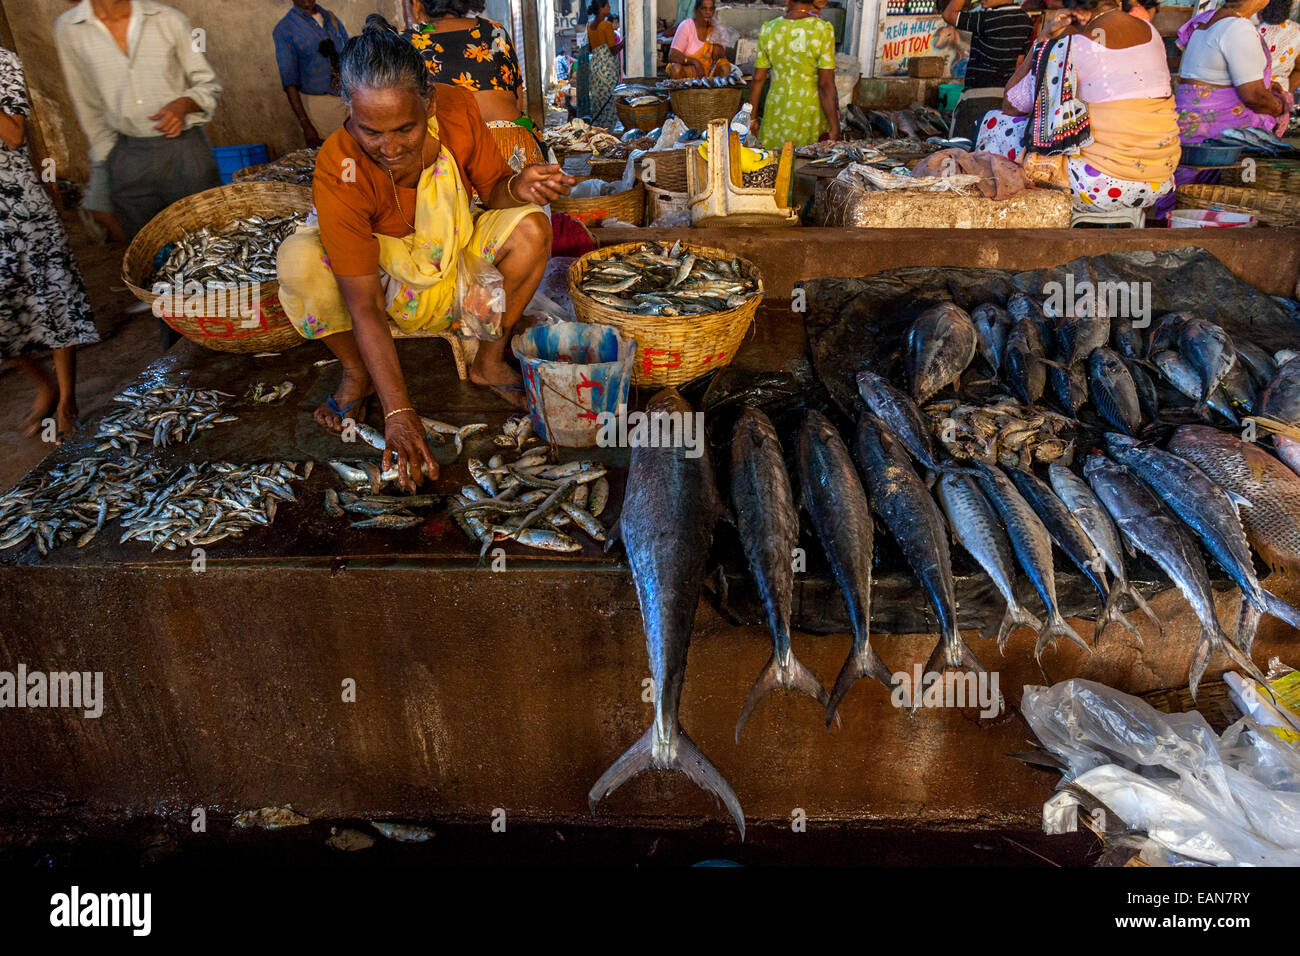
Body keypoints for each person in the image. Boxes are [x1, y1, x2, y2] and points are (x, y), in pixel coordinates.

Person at [275, 16, 572, 489]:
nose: (389, 148)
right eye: (370, 130)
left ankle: (487, 361)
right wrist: (399, 411)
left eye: (405, 129)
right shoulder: (339, 167)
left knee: (533, 226)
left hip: (452, 255)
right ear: (347, 108)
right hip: (383, 281)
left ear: (429, 101)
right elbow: (364, 303)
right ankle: (357, 372)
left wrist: (519, 184)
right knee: (298, 260)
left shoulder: (455, 107)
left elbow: (494, 187)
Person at [55, 0, 222, 348]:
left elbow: (207, 85)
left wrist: (183, 103)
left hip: (184, 149)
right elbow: (88, 108)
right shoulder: (70, 29)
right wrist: (110, 165)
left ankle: (227, 338)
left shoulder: (168, 20)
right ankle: (178, 351)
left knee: (210, 253)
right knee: (155, 268)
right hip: (126, 154)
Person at [976, 0, 1180, 212]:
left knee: (994, 121)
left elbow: (1012, 103)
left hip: (1101, 185)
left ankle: (1009, 217)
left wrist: (1043, 39)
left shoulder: (1071, 45)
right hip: (1161, 178)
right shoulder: (1150, 31)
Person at [1, 47, 99, 440]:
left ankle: (66, 401)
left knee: (55, 300)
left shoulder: (3, 62)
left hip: (22, 209)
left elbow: (13, 135)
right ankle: (45, 385)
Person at [402, 1, 543, 172]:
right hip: (514, 151)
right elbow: (517, 100)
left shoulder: (406, 41)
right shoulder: (494, 31)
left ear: (416, 3)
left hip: (450, 161)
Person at [746, 0, 841, 149]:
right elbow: (825, 84)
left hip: (776, 108)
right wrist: (835, 126)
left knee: (774, 160)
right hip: (809, 111)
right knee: (806, 160)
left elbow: (758, 79)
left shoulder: (769, 29)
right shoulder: (822, 29)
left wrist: (751, 119)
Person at [941, 0, 1035, 144]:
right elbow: (1019, 65)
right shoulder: (1025, 21)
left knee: (959, 152)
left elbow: (949, 14)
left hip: (977, 100)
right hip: (1005, 100)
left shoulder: (986, 19)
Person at [273, 0, 350, 148]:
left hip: (347, 101)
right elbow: (289, 80)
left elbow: (350, 54)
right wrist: (305, 123)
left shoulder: (330, 18)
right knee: (333, 155)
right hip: (319, 106)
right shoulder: (285, 29)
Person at [575, 1, 622, 129]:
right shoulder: (606, 25)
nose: (610, 8)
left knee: (598, 100)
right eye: (607, 6)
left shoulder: (590, 26)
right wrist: (624, 42)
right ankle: (608, 130)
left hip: (595, 66)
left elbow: (590, 48)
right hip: (607, 66)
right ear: (601, 9)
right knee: (609, 100)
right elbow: (613, 50)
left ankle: (598, 129)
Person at [668, 0, 732, 79]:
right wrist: (695, 62)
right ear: (696, 10)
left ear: (714, 11)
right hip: (687, 73)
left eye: (711, 9)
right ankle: (681, 91)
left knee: (725, 67)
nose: (708, 12)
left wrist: (716, 36)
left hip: (708, 74)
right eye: (704, 8)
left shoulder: (717, 28)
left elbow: (719, 57)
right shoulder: (686, 25)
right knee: (676, 68)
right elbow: (672, 55)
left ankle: (717, 91)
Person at [1258, 0, 1300, 92]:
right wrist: (1283, 94)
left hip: (1243, 99)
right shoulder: (1297, 32)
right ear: (1292, 4)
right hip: (1275, 100)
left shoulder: (1246, 27)